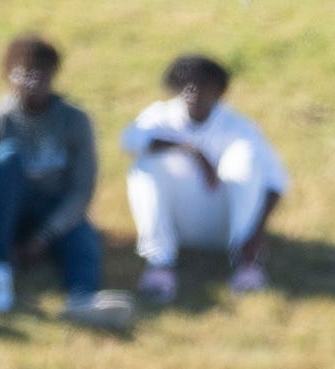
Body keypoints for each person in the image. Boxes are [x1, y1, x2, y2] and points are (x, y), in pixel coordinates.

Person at [0, 36, 113, 322]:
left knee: (84, 237)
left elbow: (81, 192)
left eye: (41, 73)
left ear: (54, 74)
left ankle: (82, 299)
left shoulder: (75, 121)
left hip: (51, 213)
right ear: (7, 75)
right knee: (7, 157)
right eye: (22, 73)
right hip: (3, 214)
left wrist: (44, 236)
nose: (31, 81)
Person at [119, 55, 287, 303]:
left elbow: (276, 182)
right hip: (178, 225)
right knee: (146, 163)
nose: (193, 92)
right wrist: (192, 151)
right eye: (187, 85)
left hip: (227, 230)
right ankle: (159, 264)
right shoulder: (159, 116)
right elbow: (130, 140)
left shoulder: (239, 126)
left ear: (218, 91)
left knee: (246, 158)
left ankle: (247, 265)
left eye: (202, 85)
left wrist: (255, 233)